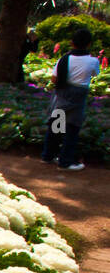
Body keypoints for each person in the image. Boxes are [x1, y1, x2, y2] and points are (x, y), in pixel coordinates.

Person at [42, 27, 100, 171]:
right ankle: (65, 162)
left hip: (61, 95)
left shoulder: (64, 59)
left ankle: (48, 156)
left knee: (56, 127)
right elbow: (94, 74)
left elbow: (54, 79)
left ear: (72, 42)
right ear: (89, 44)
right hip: (78, 96)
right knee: (72, 129)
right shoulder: (93, 61)